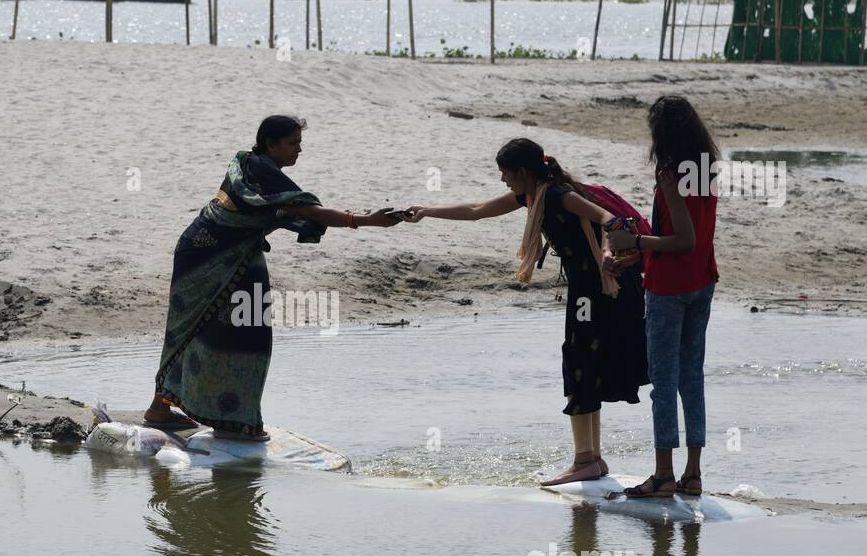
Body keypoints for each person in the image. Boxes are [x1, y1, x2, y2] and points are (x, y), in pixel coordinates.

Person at [144, 115, 401, 441]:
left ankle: (207, 415)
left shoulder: (255, 167)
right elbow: (311, 213)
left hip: (236, 254)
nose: (299, 151)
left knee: (237, 330)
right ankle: (211, 418)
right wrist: (367, 220)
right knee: (199, 332)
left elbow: (290, 210)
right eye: (293, 143)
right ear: (271, 144)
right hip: (204, 256)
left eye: (300, 144)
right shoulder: (261, 171)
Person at [408, 138, 649, 485]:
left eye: (505, 174)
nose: (503, 181)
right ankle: (592, 459)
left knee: (580, 362)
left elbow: (607, 218)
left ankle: (585, 460)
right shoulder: (531, 195)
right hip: (587, 287)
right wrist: (428, 210)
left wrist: (608, 253)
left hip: (601, 287)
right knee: (584, 361)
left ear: (523, 172)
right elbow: (477, 210)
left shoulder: (557, 196)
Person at [606, 96, 721, 498]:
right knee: (692, 379)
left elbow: (683, 239)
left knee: (664, 383)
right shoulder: (706, 171)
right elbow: (693, 237)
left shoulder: (670, 175)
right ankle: (693, 474)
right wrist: (641, 251)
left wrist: (633, 240)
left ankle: (662, 475)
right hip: (702, 282)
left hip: (670, 288)